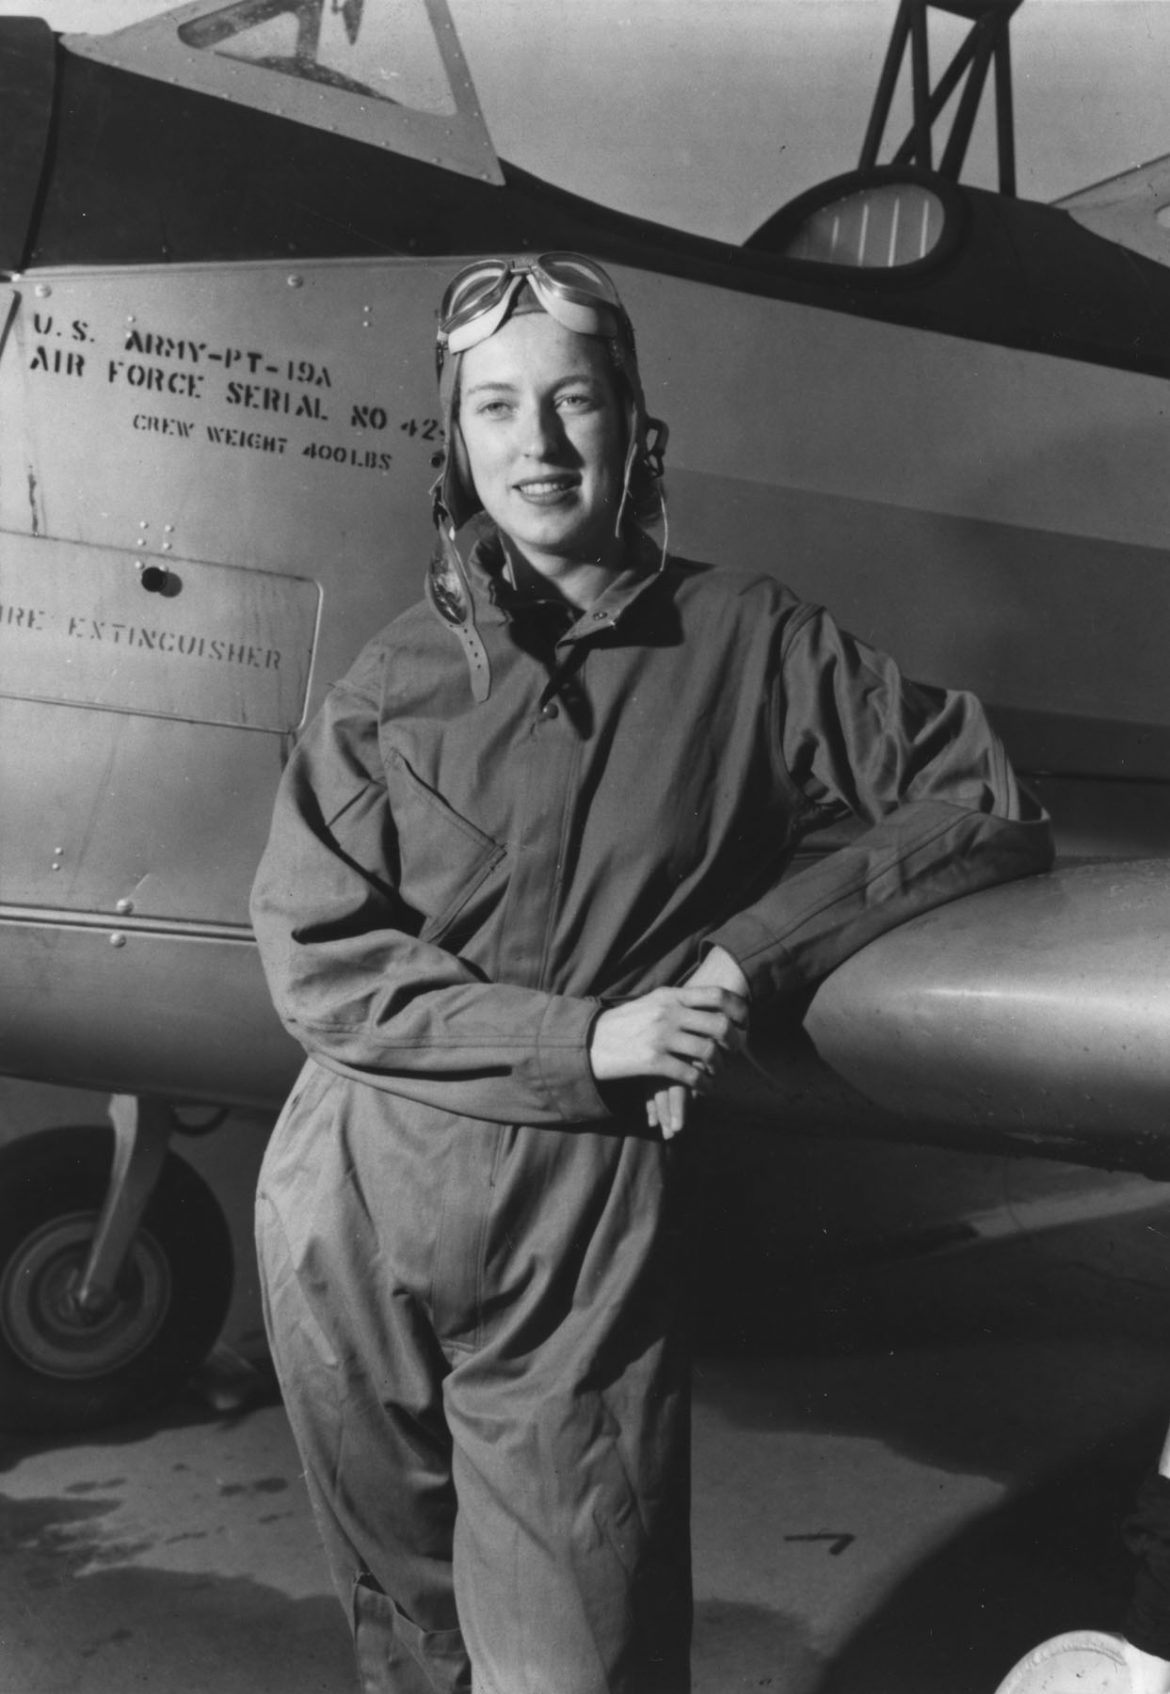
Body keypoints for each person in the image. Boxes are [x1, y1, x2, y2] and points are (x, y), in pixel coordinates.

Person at [250, 252, 1053, 1694]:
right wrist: (586, 1041)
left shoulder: (749, 638)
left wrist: (745, 956)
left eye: (574, 401)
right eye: (496, 407)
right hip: (348, 1197)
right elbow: (316, 958)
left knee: (582, 1661)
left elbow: (975, 797)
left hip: (570, 1220)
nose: (539, 444)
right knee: (409, 1651)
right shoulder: (388, 679)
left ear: (634, 423)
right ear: (456, 441)